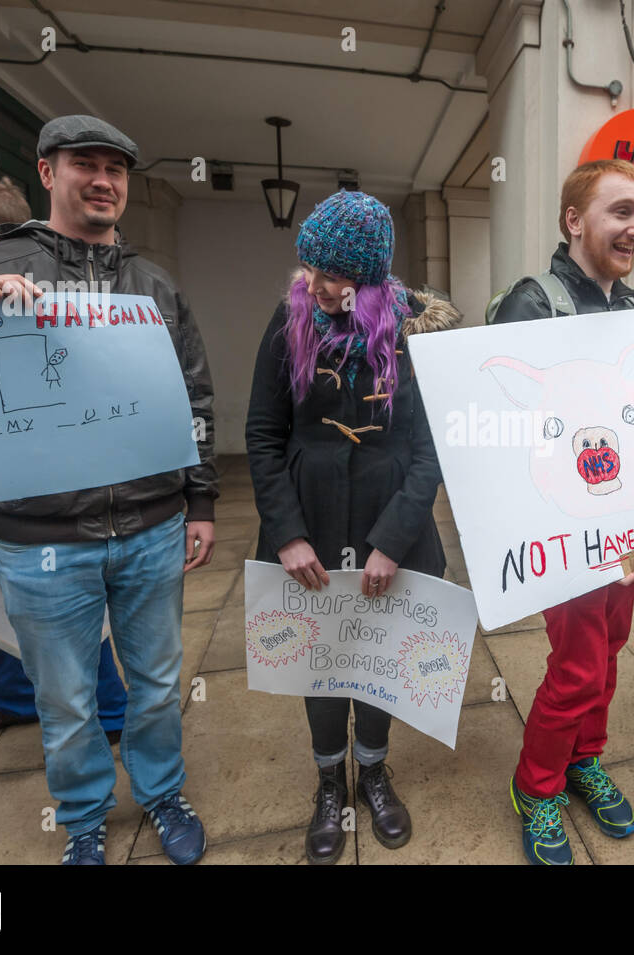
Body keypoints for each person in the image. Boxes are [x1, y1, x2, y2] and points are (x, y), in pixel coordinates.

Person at [0, 115, 217, 865]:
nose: (102, 180)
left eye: (116, 169)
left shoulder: (153, 284)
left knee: (155, 684)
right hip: (40, 538)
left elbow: (192, 396)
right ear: (46, 171)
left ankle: (162, 792)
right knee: (64, 702)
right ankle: (84, 816)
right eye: (84, 164)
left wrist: (202, 502)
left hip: (153, 529)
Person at [246, 190, 460, 864]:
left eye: (337, 275)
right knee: (322, 657)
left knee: (380, 658)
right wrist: (286, 532)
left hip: (388, 518)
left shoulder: (410, 333)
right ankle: (328, 782)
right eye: (314, 268)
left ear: (370, 280)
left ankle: (371, 768)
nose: (321, 285)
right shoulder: (290, 319)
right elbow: (261, 432)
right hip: (309, 518)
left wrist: (393, 540)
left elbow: (431, 450)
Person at [491, 159, 634, 865]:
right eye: (620, 211)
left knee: (609, 652)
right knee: (580, 665)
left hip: (624, 529)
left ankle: (584, 756)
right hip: (563, 532)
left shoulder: (630, 311)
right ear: (574, 221)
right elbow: (496, 429)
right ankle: (536, 785)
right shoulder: (533, 302)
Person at [0, 177, 129, 745]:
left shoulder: (63, 293)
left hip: (49, 492)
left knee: (70, 606)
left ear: (7, 237)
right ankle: (14, 696)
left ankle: (110, 713)